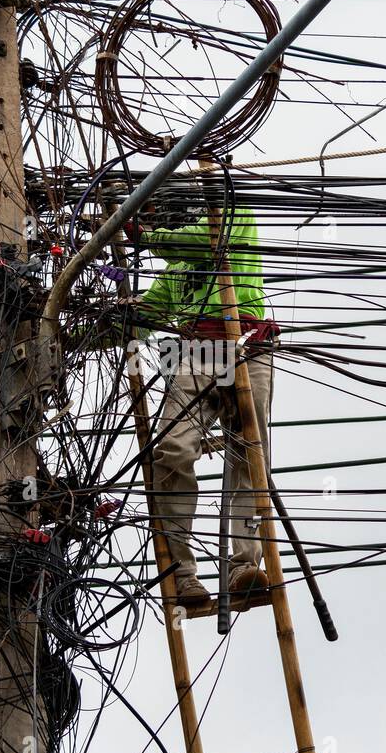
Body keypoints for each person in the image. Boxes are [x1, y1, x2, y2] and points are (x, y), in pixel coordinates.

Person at [117, 198, 278, 606]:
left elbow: (207, 242)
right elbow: (147, 315)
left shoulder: (233, 214)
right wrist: (93, 325)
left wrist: (146, 237)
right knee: (170, 449)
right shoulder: (177, 271)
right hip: (197, 355)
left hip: (248, 348)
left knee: (249, 454)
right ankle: (183, 575)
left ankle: (243, 567)